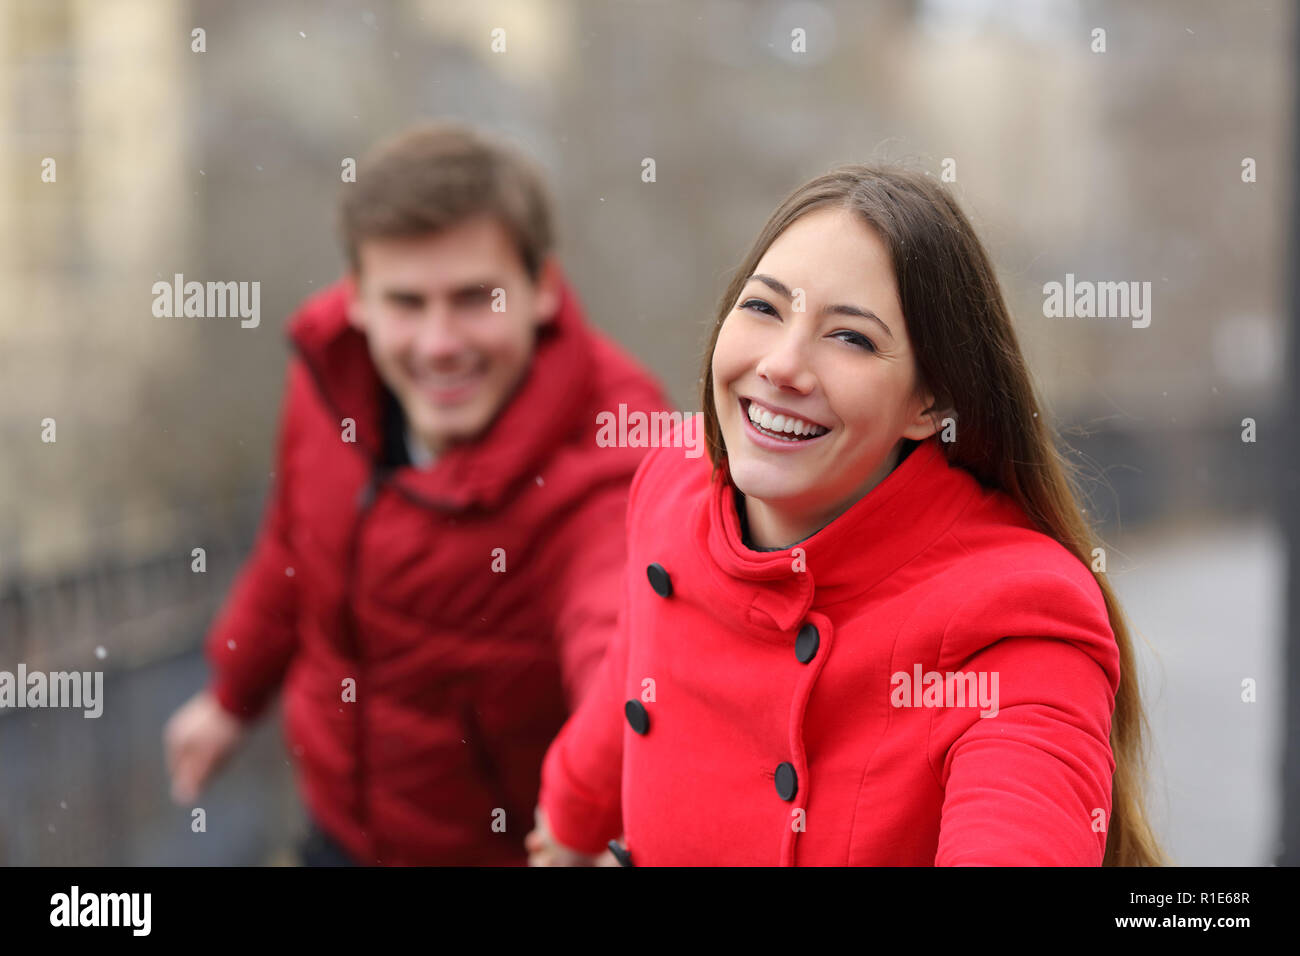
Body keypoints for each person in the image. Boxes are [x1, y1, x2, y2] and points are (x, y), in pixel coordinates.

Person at [525, 163, 1167, 866]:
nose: (782, 366)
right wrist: (568, 820)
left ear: (931, 404)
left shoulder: (1014, 614)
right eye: (764, 308)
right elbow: (642, 664)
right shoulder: (674, 487)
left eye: (851, 339)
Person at [163, 121, 670, 866]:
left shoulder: (614, 452)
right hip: (335, 824)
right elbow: (292, 547)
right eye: (405, 302)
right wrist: (231, 696)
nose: (439, 343)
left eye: (474, 298)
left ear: (543, 291)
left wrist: (609, 817)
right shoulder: (328, 376)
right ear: (356, 301)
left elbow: (620, 639)